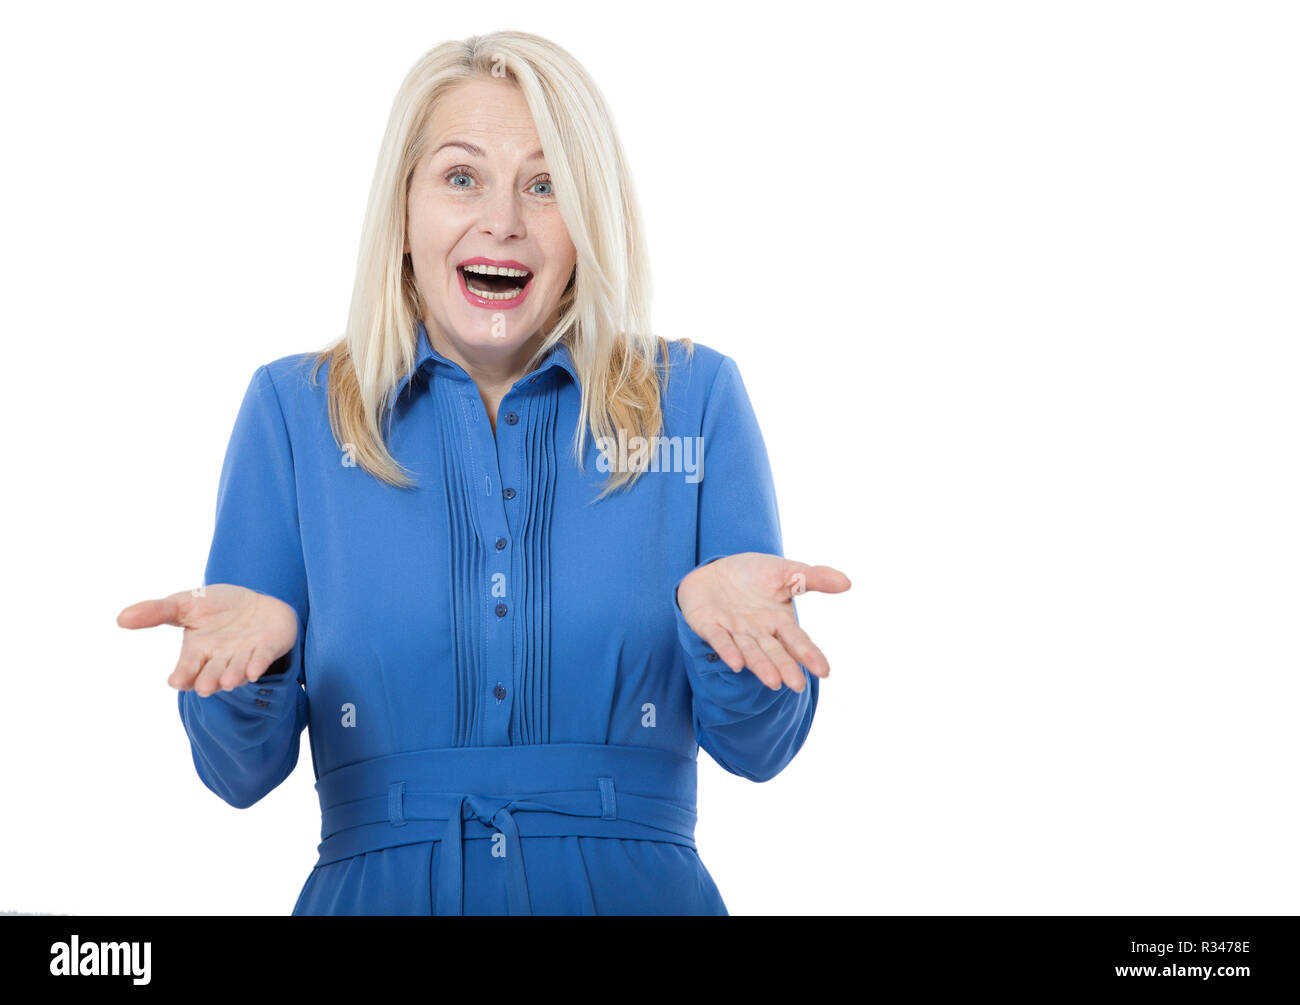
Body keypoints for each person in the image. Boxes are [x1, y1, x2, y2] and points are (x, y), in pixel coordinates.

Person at [117, 30, 851, 915]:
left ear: (590, 221)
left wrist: (738, 655)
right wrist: (247, 680)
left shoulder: (694, 399)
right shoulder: (293, 410)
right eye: (461, 177)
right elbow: (237, 775)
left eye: (546, 185)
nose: (503, 219)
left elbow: (762, 750)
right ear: (402, 213)